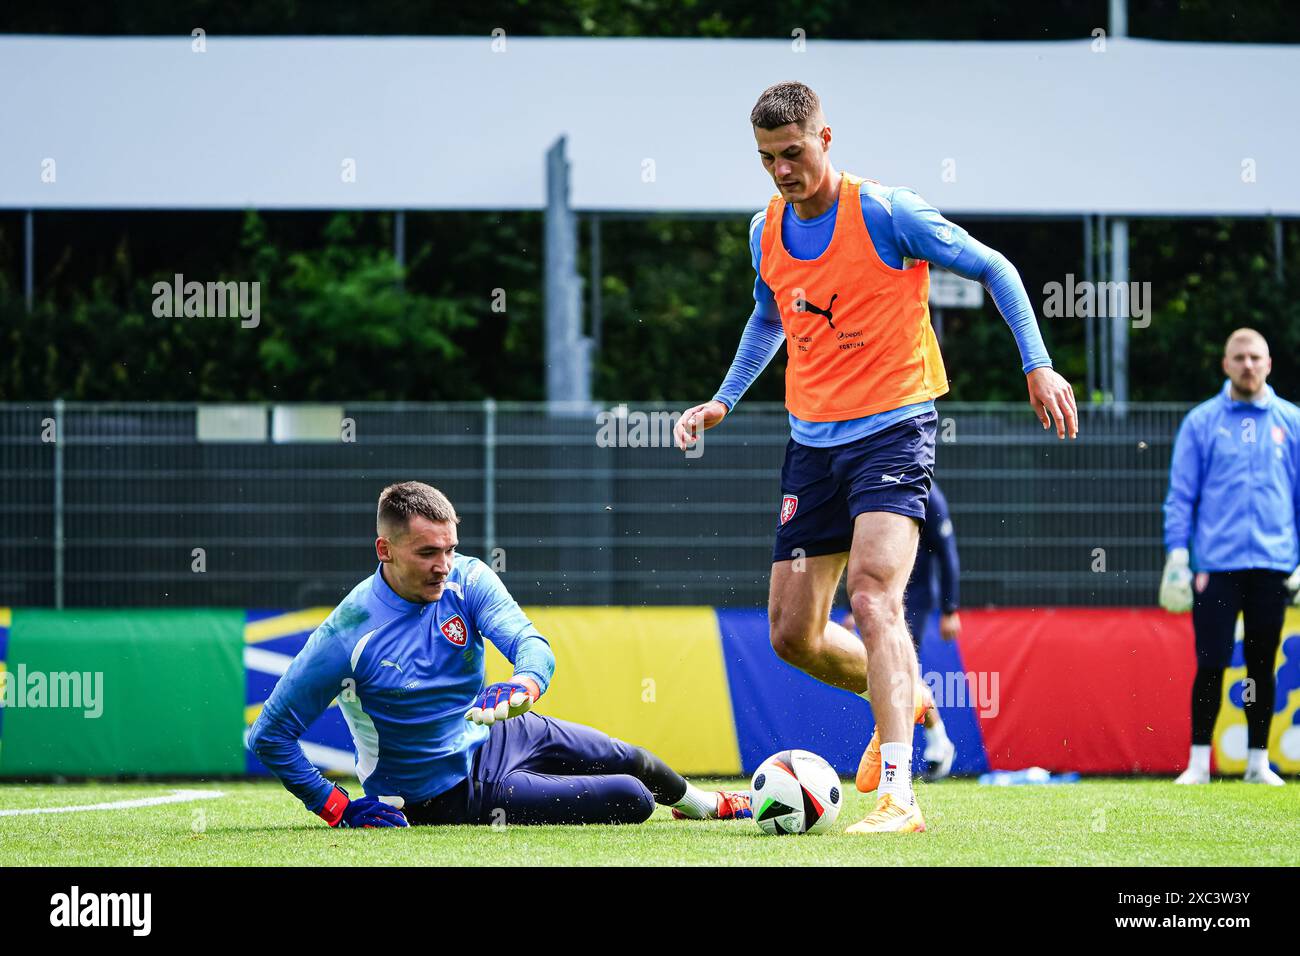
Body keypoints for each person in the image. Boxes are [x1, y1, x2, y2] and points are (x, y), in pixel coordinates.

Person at [674, 81, 1077, 833]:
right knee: (792, 633)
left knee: (872, 595)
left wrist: (1039, 363)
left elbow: (997, 267)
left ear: (826, 140)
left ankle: (900, 792)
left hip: (893, 431)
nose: (782, 172)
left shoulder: (888, 213)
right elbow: (769, 316)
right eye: (767, 159)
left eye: (793, 153)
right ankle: (904, 693)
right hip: (811, 444)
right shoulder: (765, 230)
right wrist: (724, 398)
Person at [248, 481, 752, 827]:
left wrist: (526, 682)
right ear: (385, 551)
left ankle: (708, 806)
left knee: (634, 760)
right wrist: (335, 806)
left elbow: (530, 643)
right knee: (633, 799)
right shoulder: (348, 632)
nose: (444, 565)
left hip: (497, 732)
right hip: (443, 793)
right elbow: (270, 734)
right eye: (427, 553)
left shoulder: (468, 578)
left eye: (450, 548)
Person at [1160, 328, 1300, 787]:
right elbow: (1182, 495)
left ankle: (1258, 762)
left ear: (1269, 363)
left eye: (1255, 357)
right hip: (1216, 566)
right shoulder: (1202, 422)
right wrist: (1179, 557)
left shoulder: (1291, 422)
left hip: (1272, 564)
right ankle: (1200, 761)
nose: (1247, 365)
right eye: (1239, 357)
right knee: (1212, 661)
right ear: (1225, 364)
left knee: (1262, 662)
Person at [841, 480, 961, 782]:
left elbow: (947, 552)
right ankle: (936, 740)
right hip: (877, 596)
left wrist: (950, 609)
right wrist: (852, 607)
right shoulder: (869, 485)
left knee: (899, 670)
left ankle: (903, 758)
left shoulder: (930, 495)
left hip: (914, 597)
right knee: (896, 673)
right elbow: (855, 551)